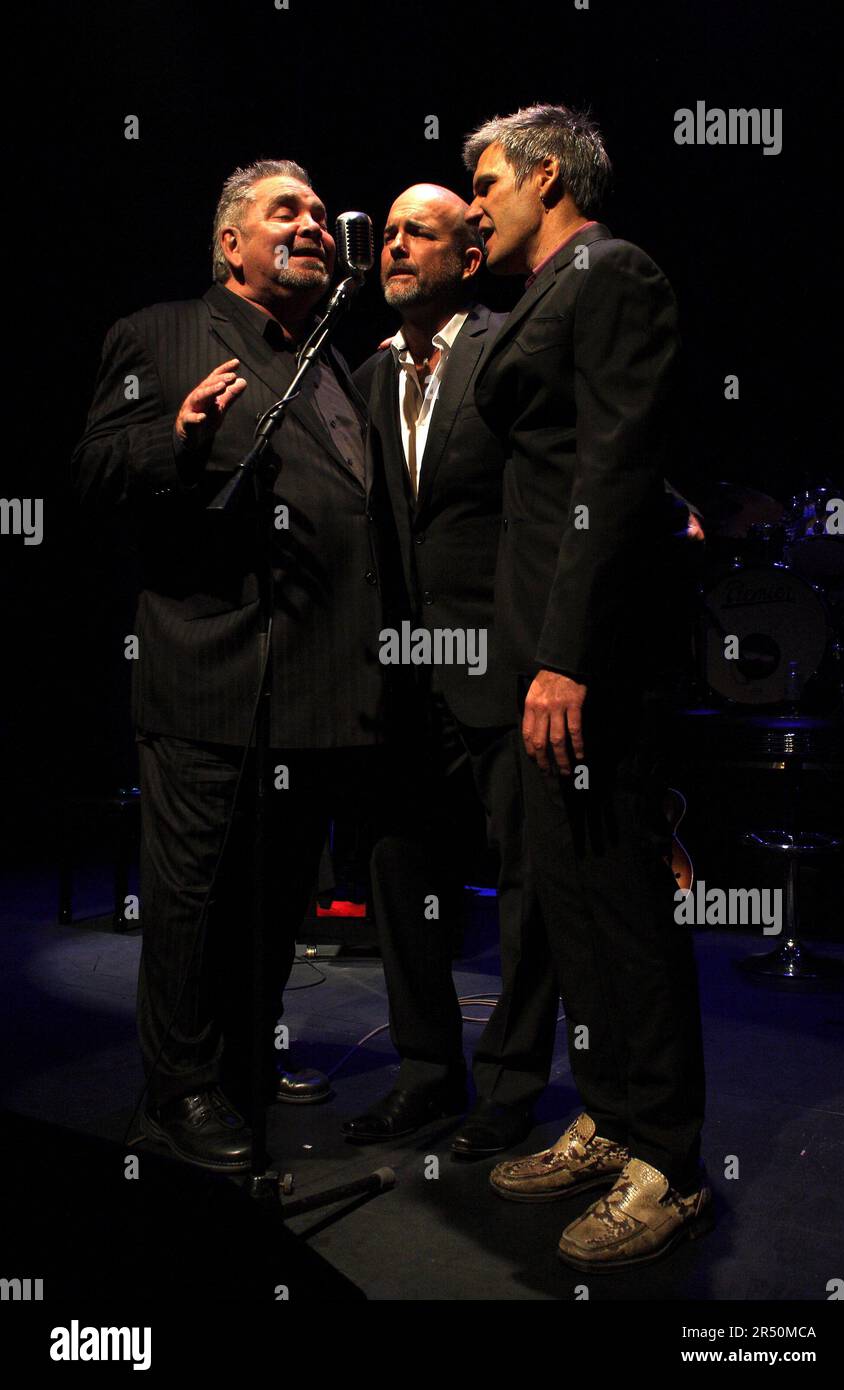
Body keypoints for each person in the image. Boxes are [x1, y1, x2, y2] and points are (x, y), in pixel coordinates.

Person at [72, 159, 384, 1172]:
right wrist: (176, 436)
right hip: (209, 674)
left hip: (318, 691)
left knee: (268, 910)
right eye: (281, 211)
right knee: (190, 904)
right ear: (230, 243)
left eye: (315, 210)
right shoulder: (159, 333)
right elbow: (93, 471)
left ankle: (242, 1068)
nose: (309, 224)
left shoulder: (333, 362)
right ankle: (180, 1090)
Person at [463, 106, 711, 1269]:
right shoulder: (541, 292)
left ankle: (666, 1155)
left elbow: (614, 466)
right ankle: (609, 1117)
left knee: (620, 904)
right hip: (540, 651)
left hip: (589, 661)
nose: (472, 202)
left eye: (485, 179)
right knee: (569, 903)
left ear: (544, 173)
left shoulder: (611, 273)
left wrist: (564, 654)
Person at [344, 184, 560, 1158]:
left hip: (500, 664)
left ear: (465, 258)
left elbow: (558, 503)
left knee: (524, 885)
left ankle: (509, 1092)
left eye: (416, 234)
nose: (392, 248)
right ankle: (425, 1075)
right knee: (398, 877)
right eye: (386, 234)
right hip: (399, 675)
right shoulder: (358, 375)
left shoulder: (510, 349)